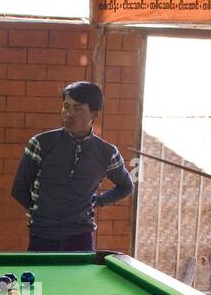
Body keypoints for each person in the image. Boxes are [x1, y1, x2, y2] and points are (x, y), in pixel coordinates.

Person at [10, 81, 136, 252]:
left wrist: (99, 201)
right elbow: (18, 189)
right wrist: (40, 212)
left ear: (94, 114)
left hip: (81, 238)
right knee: (39, 279)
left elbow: (126, 186)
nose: (68, 114)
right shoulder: (40, 143)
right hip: (42, 235)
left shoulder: (107, 152)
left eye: (77, 109)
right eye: (66, 106)